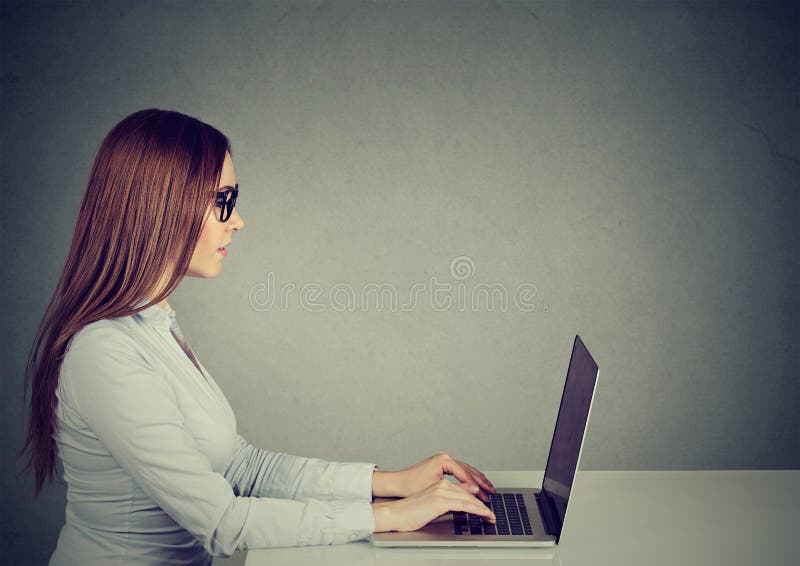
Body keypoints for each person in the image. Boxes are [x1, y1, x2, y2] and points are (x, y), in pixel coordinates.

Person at [21, 108, 497, 565]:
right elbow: (223, 523)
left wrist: (394, 483)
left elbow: (244, 469)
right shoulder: (105, 354)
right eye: (222, 201)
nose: (237, 220)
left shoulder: (155, 324)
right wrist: (391, 516)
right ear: (164, 206)